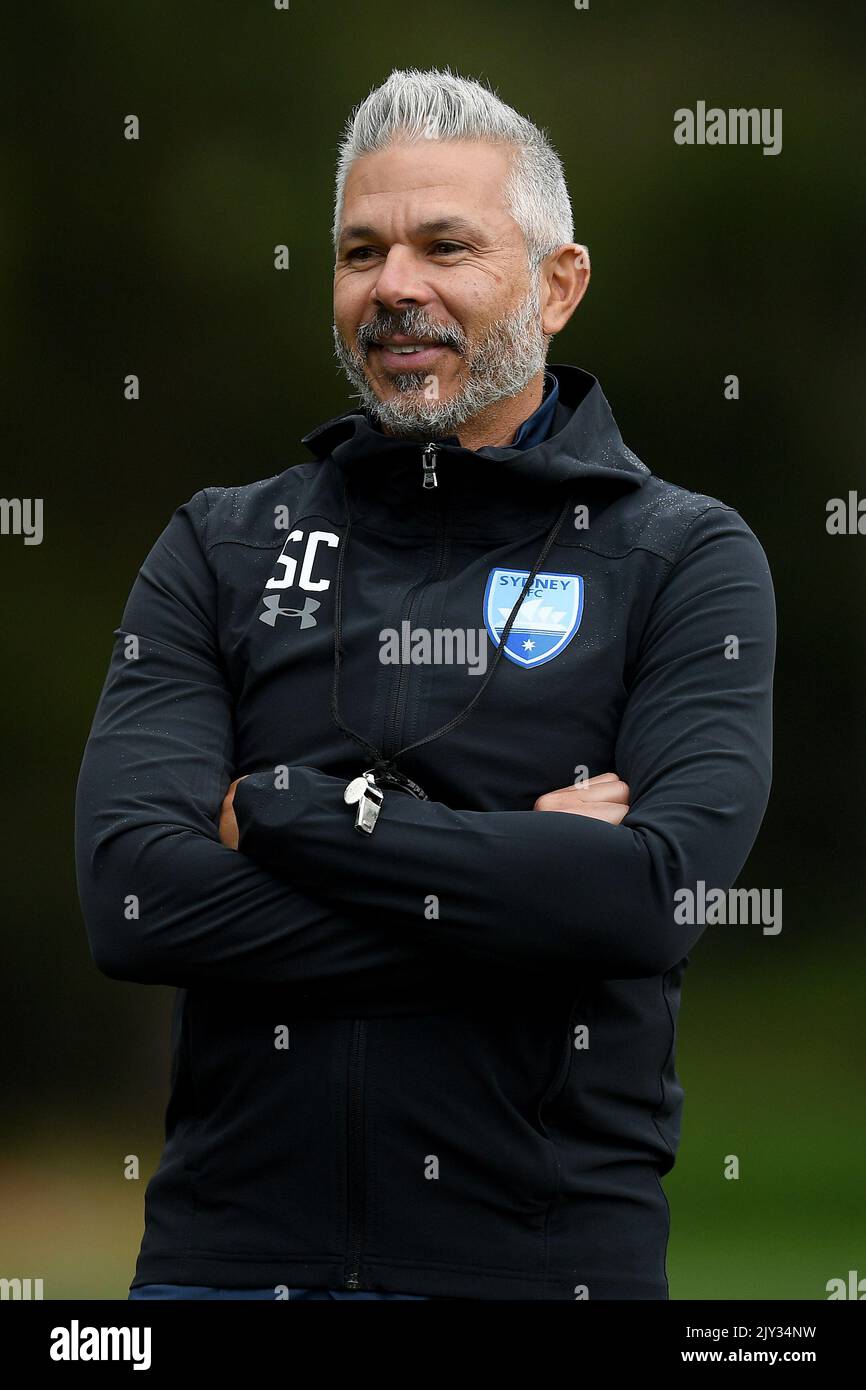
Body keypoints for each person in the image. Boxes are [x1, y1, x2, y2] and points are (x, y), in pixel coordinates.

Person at [75, 67, 775, 1301]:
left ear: (558, 285)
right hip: (225, 1268)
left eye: (443, 245)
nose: (393, 287)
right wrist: (516, 891)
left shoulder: (681, 554)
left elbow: (642, 902)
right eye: (360, 251)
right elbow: (136, 900)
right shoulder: (221, 544)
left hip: (540, 1270)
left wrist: (289, 812)